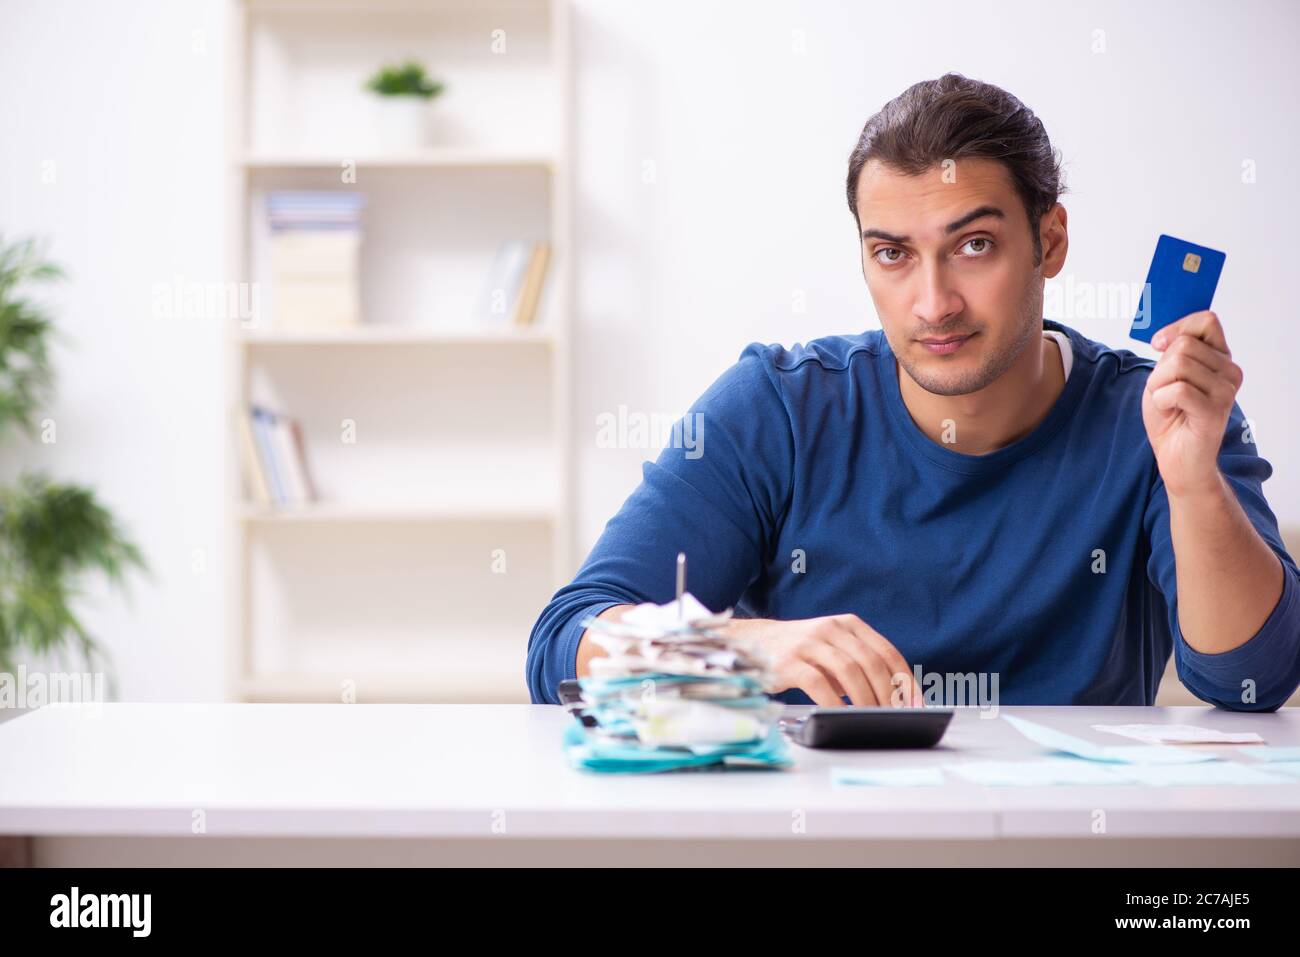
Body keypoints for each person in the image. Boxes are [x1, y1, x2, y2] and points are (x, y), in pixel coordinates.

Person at [527, 73, 1300, 711]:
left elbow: (1253, 678)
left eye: (973, 246)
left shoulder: (1161, 416)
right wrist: (741, 643)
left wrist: (1192, 482)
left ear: (1050, 241)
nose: (933, 303)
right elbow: (563, 642)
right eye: (893, 253)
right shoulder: (777, 411)